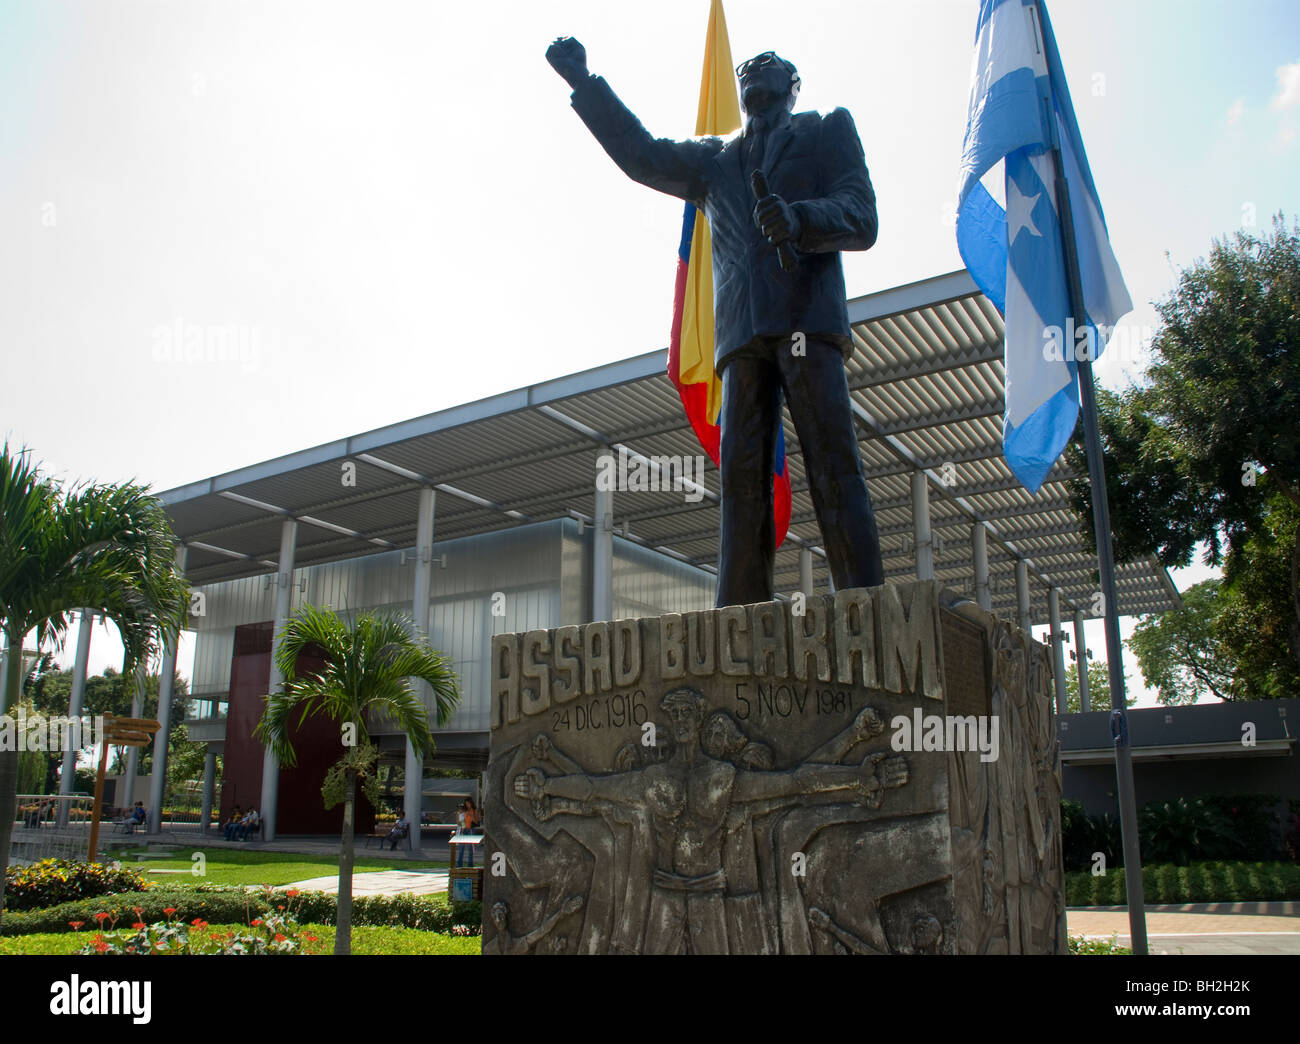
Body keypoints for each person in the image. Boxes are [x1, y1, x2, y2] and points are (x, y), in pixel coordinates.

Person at [546, 38, 885, 606]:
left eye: (772, 63)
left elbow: (862, 216)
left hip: (806, 319)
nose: (757, 67)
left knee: (833, 462)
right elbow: (643, 155)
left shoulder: (826, 130)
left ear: (794, 84)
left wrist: (800, 219)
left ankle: (865, 602)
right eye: (748, 66)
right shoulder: (714, 160)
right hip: (742, 335)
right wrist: (586, 84)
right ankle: (741, 613)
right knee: (741, 483)